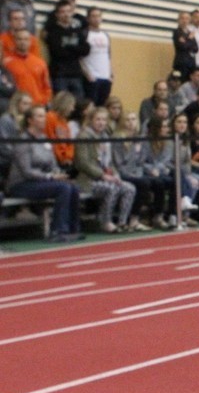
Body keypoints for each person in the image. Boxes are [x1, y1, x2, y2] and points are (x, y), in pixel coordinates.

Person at [7, 104, 83, 242]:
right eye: (40, 116)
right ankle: (58, 230)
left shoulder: (44, 139)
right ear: (30, 120)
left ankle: (73, 229)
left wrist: (59, 174)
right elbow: (26, 171)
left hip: (43, 181)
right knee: (63, 188)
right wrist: (50, 177)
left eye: (44, 116)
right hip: (22, 184)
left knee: (73, 186)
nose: (44, 119)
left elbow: (52, 164)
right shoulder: (22, 140)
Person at [74, 107, 139, 233]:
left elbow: (110, 163)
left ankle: (122, 222)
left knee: (129, 188)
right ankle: (105, 221)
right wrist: (102, 175)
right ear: (91, 120)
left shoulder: (105, 137)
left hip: (106, 176)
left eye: (104, 120)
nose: (101, 123)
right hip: (88, 180)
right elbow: (82, 163)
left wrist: (115, 174)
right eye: (98, 119)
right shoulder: (84, 136)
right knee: (112, 188)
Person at [113, 110, 169, 230]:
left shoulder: (140, 139)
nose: (131, 123)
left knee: (159, 182)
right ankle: (134, 219)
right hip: (123, 172)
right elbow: (120, 163)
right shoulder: (118, 139)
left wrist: (144, 170)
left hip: (138, 171)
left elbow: (142, 161)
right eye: (128, 120)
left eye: (133, 120)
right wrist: (134, 151)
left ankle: (158, 216)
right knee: (144, 183)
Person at [4, 28, 52, 106]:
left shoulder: (40, 63)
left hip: (36, 104)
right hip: (16, 105)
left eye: (26, 39)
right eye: (19, 39)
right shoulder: (6, 63)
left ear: (30, 41)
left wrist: (44, 101)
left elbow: (46, 86)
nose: (23, 42)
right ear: (14, 41)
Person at [79, 7, 112, 106]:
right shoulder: (84, 34)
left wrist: (111, 74)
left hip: (105, 77)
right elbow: (79, 57)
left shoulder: (105, 35)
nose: (96, 19)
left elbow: (109, 55)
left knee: (102, 105)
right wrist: (87, 74)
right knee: (91, 105)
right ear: (88, 18)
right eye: (93, 16)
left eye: (98, 16)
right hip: (92, 76)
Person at [171, 11, 198, 77]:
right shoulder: (177, 32)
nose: (184, 20)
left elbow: (196, 48)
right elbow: (183, 46)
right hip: (181, 62)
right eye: (182, 18)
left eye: (187, 18)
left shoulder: (190, 33)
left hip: (191, 62)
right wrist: (190, 39)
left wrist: (187, 41)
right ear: (178, 20)